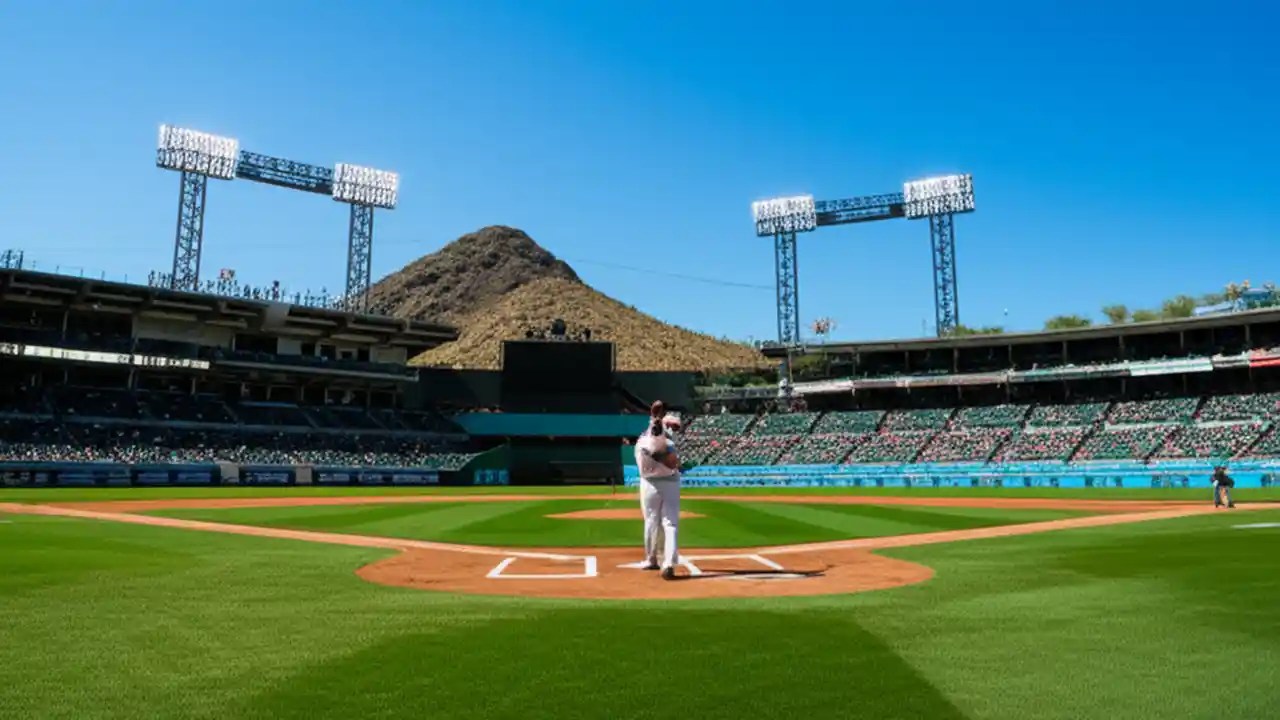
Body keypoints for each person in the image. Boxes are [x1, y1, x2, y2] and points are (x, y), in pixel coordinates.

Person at [636, 400, 682, 580]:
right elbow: (663, 455)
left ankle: (652, 558)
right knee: (669, 523)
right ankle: (667, 562)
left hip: (651, 483)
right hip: (667, 481)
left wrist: (657, 420)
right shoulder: (655, 440)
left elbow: (658, 437)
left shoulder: (647, 440)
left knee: (651, 521)